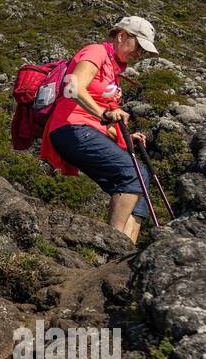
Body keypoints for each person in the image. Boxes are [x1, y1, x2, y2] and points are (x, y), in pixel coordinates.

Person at [39, 16, 160, 241]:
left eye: (144, 50)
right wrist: (103, 114)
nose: (139, 54)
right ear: (121, 36)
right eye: (139, 46)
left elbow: (106, 122)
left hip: (88, 130)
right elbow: (72, 86)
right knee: (131, 173)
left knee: (141, 180)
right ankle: (113, 243)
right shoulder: (96, 52)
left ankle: (125, 254)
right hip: (71, 127)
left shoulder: (114, 71)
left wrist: (125, 136)